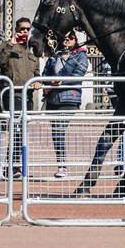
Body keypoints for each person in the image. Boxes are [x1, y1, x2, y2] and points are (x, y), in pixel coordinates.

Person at [35, 29, 89, 179]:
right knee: (56, 132)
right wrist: (48, 83)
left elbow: (78, 75)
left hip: (69, 99)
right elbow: (45, 73)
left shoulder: (80, 56)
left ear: (75, 40)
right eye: (64, 38)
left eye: (70, 38)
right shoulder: (55, 55)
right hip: (53, 98)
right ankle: (61, 164)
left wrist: (59, 81)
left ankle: (63, 166)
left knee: (59, 129)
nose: (66, 41)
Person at [0, 17, 37, 177]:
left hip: (28, 96)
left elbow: (36, 70)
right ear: (16, 30)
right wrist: (11, 44)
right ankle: (10, 167)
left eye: (27, 29)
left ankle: (15, 167)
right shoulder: (7, 45)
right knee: (17, 132)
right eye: (22, 29)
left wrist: (38, 80)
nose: (25, 32)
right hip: (13, 95)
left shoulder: (32, 48)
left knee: (22, 134)